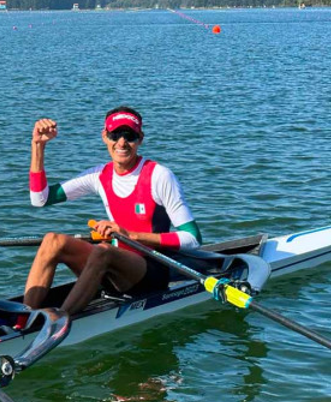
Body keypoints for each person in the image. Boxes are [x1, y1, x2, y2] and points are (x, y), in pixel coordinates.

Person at [24, 106, 202, 315]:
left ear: (140, 139)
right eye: (115, 134)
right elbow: (39, 199)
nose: (122, 143)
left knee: (103, 250)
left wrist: (131, 236)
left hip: (151, 270)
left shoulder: (160, 176)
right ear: (104, 137)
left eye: (130, 136)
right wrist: (38, 146)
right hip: (114, 267)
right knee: (53, 240)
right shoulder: (99, 175)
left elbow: (193, 238)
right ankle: (23, 318)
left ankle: (60, 322)